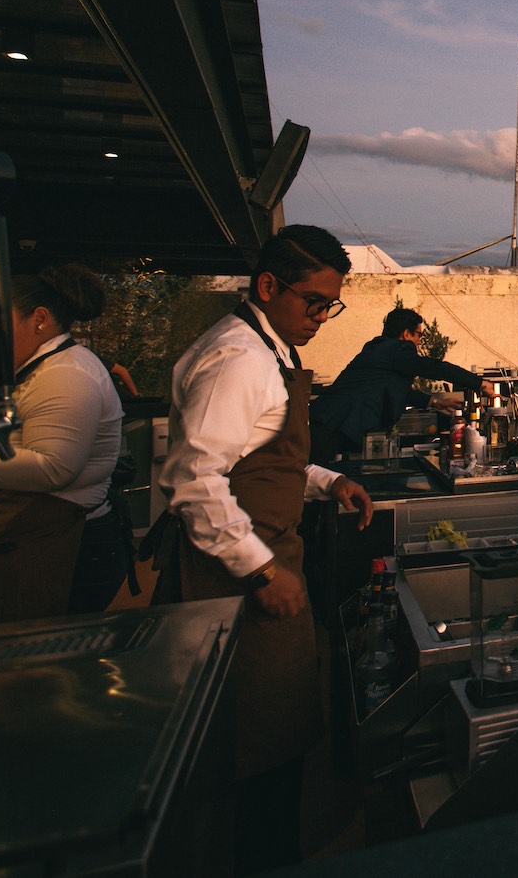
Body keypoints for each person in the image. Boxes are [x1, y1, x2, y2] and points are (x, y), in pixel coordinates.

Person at [153, 224, 372, 873]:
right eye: (313, 302)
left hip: (266, 564)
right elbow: (196, 481)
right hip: (235, 582)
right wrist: (262, 568)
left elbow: (258, 458)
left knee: (275, 741)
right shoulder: (239, 359)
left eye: (331, 304)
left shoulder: (268, 350)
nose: (321, 317)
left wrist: (330, 483)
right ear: (268, 286)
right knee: (250, 750)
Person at [0, 263, 125, 625]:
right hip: (36, 539)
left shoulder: (67, 373)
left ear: (40, 319)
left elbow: (53, 468)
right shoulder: (41, 369)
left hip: (62, 546)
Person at [308, 305, 487, 469]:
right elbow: (433, 367)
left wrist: (433, 402)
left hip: (324, 422)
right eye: (418, 335)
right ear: (406, 334)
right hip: (332, 427)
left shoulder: (378, 349)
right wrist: (479, 383)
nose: (419, 341)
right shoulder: (398, 349)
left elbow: (392, 388)